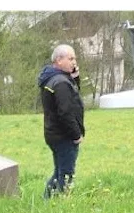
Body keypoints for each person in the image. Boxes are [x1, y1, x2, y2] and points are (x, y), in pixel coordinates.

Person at [39, 44, 84, 198]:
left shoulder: (52, 79)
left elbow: (73, 97)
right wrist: (76, 134)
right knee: (66, 174)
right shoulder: (61, 83)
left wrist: (75, 78)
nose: (74, 62)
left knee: (59, 172)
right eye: (70, 58)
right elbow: (66, 112)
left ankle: (47, 200)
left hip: (53, 134)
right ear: (59, 60)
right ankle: (61, 204)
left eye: (74, 58)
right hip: (64, 136)